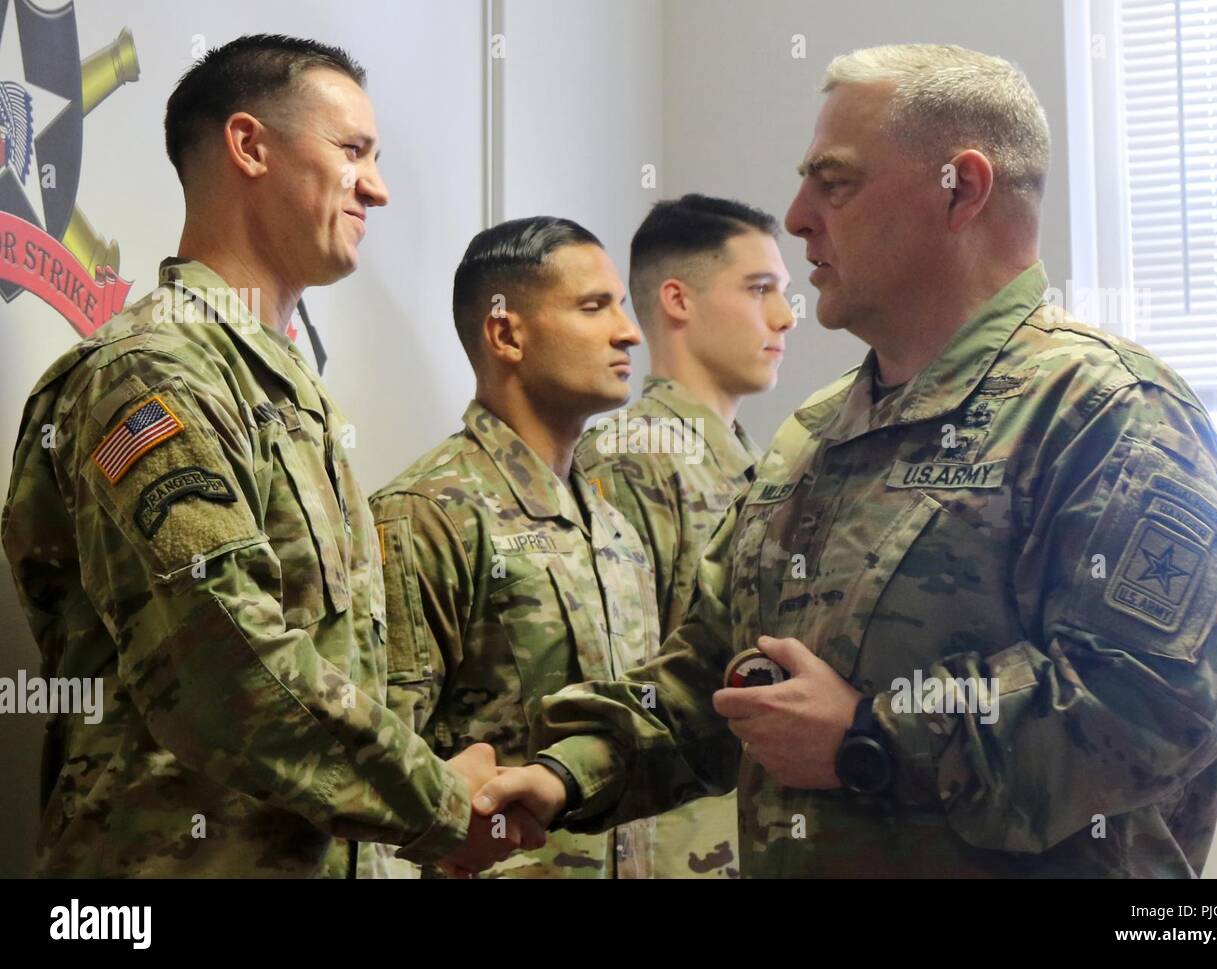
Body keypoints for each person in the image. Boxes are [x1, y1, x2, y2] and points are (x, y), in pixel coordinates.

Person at [474, 44, 1217, 878]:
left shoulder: (1111, 415)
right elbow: (714, 676)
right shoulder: (812, 437)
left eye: (834, 182)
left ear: (962, 189)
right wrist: (560, 776)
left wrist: (872, 736)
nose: (798, 215)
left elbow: (1155, 704)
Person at [1, 34, 539, 877]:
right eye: (352, 151)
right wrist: (436, 802)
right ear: (250, 146)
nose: (377, 187)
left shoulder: (288, 392)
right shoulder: (153, 373)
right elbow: (225, 668)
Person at [370, 216, 661, 877]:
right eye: (594, 306)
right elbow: (378, 768)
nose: (629, 332)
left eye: (621, 305)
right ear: (506, 334)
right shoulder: (427, 512)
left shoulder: (612, 525)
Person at [574, 194, 793, 877]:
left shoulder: (763, 468)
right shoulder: (629, 458)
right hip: (669, 847)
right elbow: (630, 693)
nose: (785, 316)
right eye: (759, 289)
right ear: (678, 299)